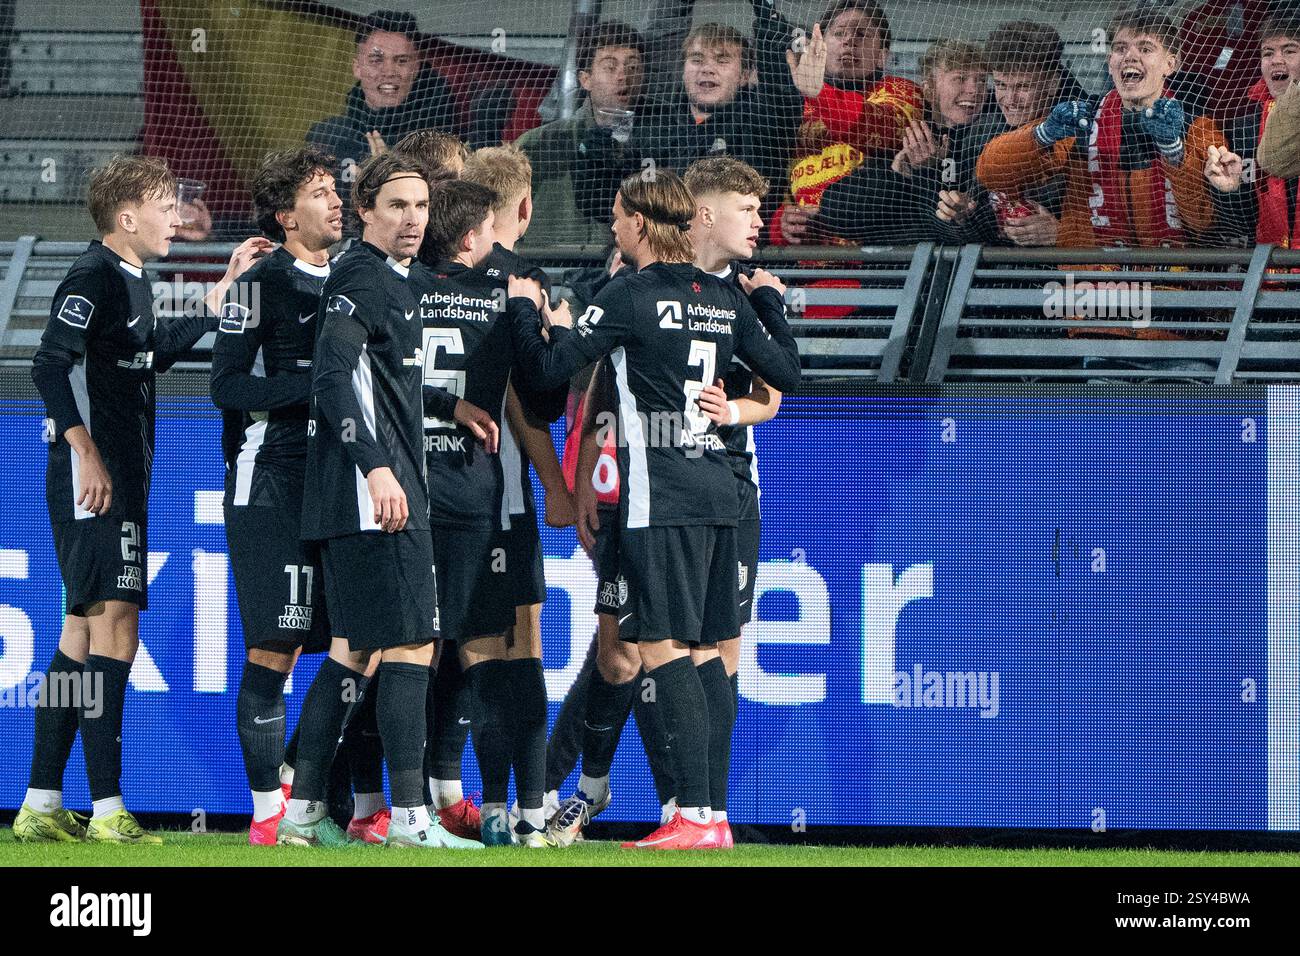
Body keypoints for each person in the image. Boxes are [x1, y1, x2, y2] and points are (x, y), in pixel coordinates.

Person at [505, 169, 801, 850]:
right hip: (721, 491)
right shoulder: (729, 299)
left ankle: (690, 815)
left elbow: (554, 372)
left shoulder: (631, 294)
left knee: (663, 647)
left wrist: (530, 314)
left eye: (616, 217)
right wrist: (772, 309)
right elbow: (788, 373)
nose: (611, 228)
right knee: (706, 652)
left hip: (658, 496)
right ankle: (707, 816)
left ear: (640, 224)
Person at [15, 155, 264, 844]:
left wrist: (219, 297)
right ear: (126, 218)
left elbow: (148, 354)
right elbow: (47, 362)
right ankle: (107, 810)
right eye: (165, 205)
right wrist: (85, 450)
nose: (178, 217)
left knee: (78, 635)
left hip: (112, 481)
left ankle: (39, 801)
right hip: (97, 482)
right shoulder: (93, 276)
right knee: (115, 627)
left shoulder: (132, 282)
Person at [280, 151, 481, 849]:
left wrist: (446, 404)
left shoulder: (387, 282)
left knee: (352, 650)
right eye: (396, 205)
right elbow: (333, 380)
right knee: (413, 646)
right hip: (378, 497)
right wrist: (375, 468)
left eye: (421, 207)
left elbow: (379, 380)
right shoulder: (363, 277)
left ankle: (303, 812)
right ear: (363, 209)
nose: (412, 219)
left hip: (364, 495)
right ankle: (410, 820)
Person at [210, 146, 350, 845]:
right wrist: (313, 394)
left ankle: (300, 775)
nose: (336, 202)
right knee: (278, 642)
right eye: (320, 193)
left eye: (336, 190)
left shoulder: (359, 278)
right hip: (273, 482)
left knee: (363, 643)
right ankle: (269, 811)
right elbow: (227, 385)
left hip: (345, 480)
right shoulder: (260, 285)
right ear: (285, 214)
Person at [459, 145, 575, 838]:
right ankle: (528, 808)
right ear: (524, 208)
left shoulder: (436, 275)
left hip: (435, 490)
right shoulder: (520, 280)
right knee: (522, 643)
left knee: (468, 650)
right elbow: (534, 401)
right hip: (501, 491)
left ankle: (488, 804)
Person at [977, 8, 1223, 249]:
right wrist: (1043, 134)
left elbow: (1204, 223)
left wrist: (1174, 153)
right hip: (1095, 281)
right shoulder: (1082, 119)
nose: (1130, 56)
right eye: (1120, 48)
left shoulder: (1197, 126)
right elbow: (991, 173)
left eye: (1146, 48)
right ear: (1109, 63)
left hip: (1171, 284)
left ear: (1171, 64)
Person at [767, 0, 924, 246]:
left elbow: (878, 129)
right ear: (821, 47)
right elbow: (775, 175)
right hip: (802, 263)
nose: (849, 40)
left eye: (862, 34)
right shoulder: (794, 103)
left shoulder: (900, 91)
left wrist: (818, 92)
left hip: (871, 262)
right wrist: (781, 224)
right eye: (839, 33)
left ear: (883, 56)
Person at [629, 20, 804, 229]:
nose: (707, 69)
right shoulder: (656, 126)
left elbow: (781, 91)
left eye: (722, 60)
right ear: (683, 71)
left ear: (745, 76)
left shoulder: (761, 119)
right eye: (696, 59)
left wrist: (766, 12)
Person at [818, 40, 996, 245]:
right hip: (900, 270)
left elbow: (955, 230)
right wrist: (899, 175)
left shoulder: (992, 137)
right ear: (929, 89)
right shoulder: (904, 133)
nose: (975, 89)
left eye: (982, 80)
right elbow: (836, 213)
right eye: (960, 79)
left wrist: (926, 173)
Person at [306, 11, 457, 226]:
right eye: (376, 60)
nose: (389, 71)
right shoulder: (326, 136)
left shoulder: (438, 143)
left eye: (401, 61)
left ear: (415, 68)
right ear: (357, 67)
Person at [516, 22, 647, 249]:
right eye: (609, 67)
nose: (623, 76)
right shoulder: (540, 144)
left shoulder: (660, 140)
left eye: (633, 67)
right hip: (553, 267)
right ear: (585, 79)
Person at [964, 21, 1088, 247]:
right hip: (986, 276)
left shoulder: (1085, 138)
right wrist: (962, 216)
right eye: (1001, 85)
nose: (1010, 100)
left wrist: (1061, 234)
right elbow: (967, 233)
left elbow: (1118, 230)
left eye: (1023, 87)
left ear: (1052, 83)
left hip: (1059, 276)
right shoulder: (981, 131)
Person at [1204, 14, 1300, 246]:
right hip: (1270, 272)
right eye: (1268, 53)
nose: (1277, 60)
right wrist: (1230, 191)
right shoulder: (1245, 126)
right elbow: (1243, 225)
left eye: (1289, 51)